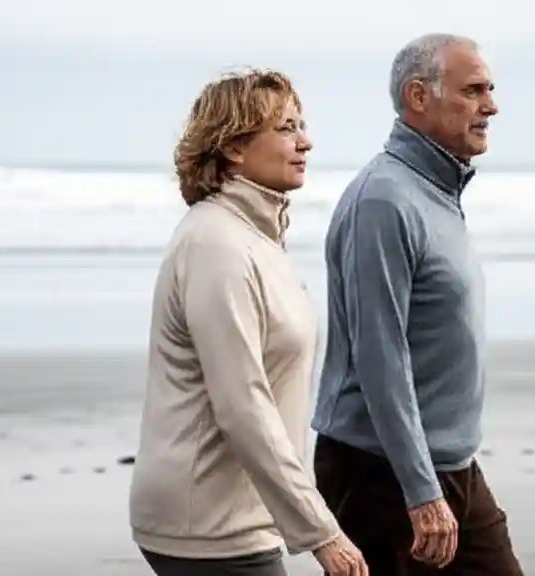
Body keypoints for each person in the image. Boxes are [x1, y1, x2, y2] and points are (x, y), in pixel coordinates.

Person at [129, 69, 368, 576]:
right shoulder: (218, 245)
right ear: (234, 147)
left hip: (239, 514)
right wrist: (322, 533)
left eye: (300, 125)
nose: (305, 141)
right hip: (206, 525)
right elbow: (243, 405)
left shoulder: (257, 238)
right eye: (285, 128)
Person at [311, 34, 524, 574]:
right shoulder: (384, 201)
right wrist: (421, 491)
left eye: (490, 90)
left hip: (449, 467)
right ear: (418, 97)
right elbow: (380, 358)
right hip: (381, 474)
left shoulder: (436, 191)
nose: (491, 105)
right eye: (473, 90)